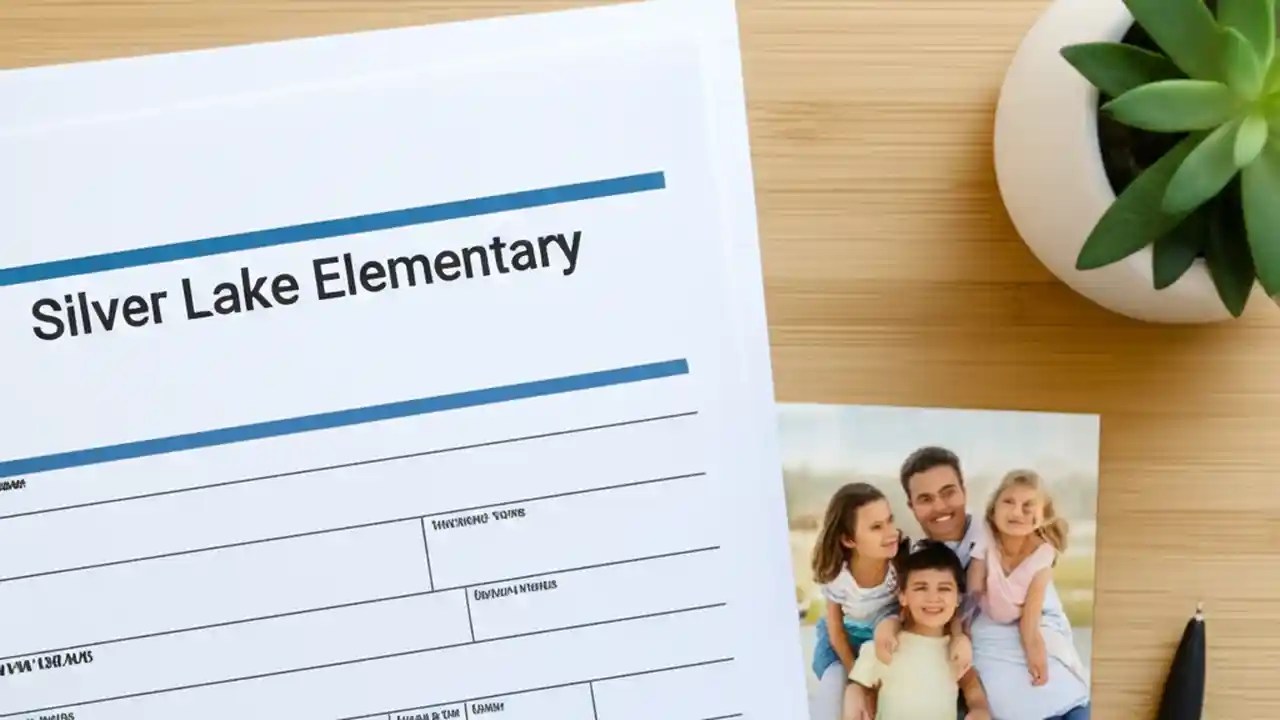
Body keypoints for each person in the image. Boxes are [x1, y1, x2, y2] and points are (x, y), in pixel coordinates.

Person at [881, 446, 1091, 720]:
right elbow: (901, 613)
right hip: (988, 689)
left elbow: (1048, 613)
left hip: (1044, 672)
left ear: (964, 491)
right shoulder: (915, 559)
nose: (941, 506)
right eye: (926, 499)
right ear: (912, 506)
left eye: (948, 493)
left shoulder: (1003, 531)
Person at [968, 470, 1089, 707]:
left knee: (1055, 671)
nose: (1016, 512)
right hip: (990, 615)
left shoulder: (1042, 555)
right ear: (994, 510)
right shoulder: (986, 539)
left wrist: (1036, 655)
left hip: (1023, 617)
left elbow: (1030, 619)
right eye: (1008, 502)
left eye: (1028, 506)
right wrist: (960, 635)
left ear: (1043, 515)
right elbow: (972, 595)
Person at [841, 541, 990, 720]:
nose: (933, 598)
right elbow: (858, 685)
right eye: (921, 588)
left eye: (944, 588)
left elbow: (971, 685)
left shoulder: (957, 650)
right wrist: (854, 694)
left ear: (958, 598)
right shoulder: (884, 645)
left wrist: (979, 709)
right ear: (903, 596)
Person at [807, 482, 908, 720]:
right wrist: (857, 676)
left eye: (890, 520)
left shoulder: (900, 564)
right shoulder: (838, 577)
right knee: (834, 692)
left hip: (882, 640)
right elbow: (836, 632)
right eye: (876, 527)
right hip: (842, 643)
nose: (890, 532)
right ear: (849, 540)